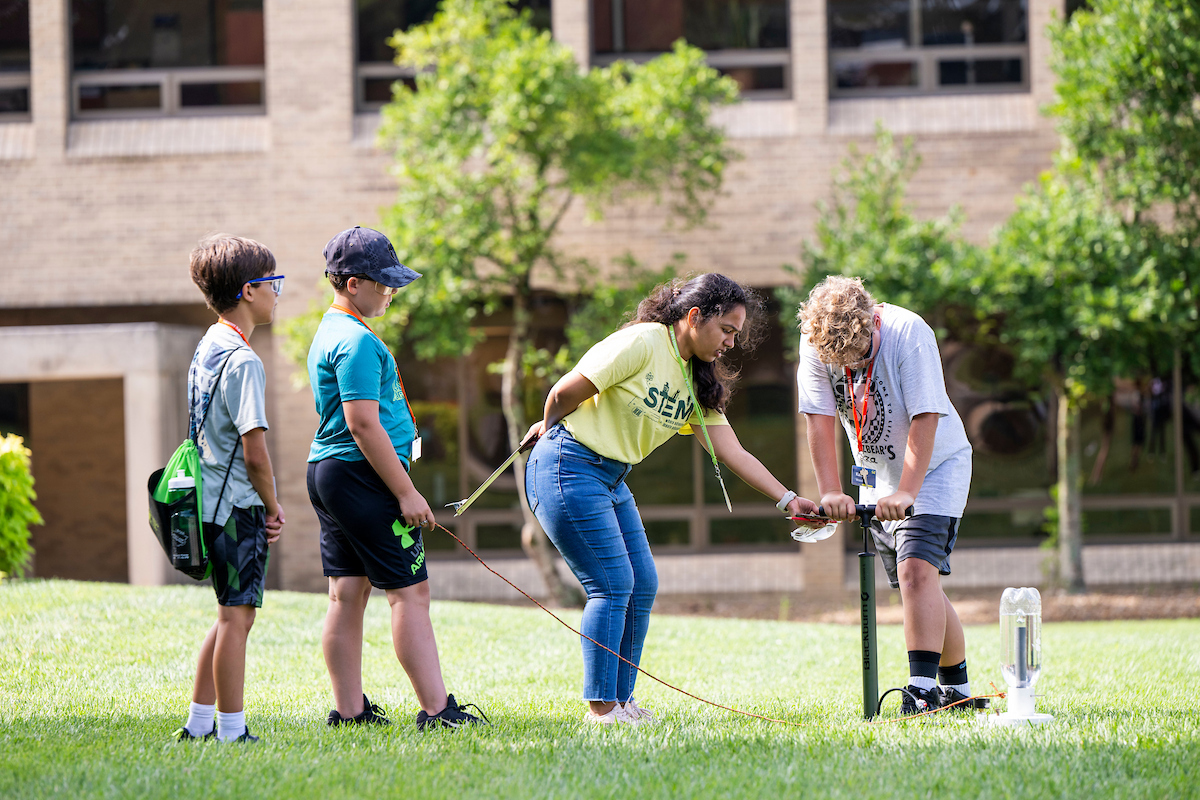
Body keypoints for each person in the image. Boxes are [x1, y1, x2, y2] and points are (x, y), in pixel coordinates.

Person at [522, 273, 822, 726]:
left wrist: (789, 500)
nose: (730, 343)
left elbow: (732, 451)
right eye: (727, 331)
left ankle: (622, 703)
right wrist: (548, 429)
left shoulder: (696, 378)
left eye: (736, 335)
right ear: (695, 316)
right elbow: (564, 392)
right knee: (612, 584)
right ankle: (601, 710)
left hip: (611, 477)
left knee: (641, 584)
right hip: (569, 464)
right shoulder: (644, 343)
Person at [306, 226, 485, 731]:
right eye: (384, 283)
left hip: (329, 472)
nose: (391, 291)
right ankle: (437, 711)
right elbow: (363, 423)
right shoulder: (357, 342)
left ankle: (351, 711)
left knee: (346, 594)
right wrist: (405, 491)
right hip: (363, 477)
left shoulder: (330, 330)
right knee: (410, 594)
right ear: (352, 282)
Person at [796, 275, 984, 715]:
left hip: (935, 467)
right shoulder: (813, 342)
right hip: (878, 477)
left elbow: (925, 415)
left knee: (918, 572)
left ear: (871, 323)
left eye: (857, 357)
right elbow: (819, 419)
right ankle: (958, 691)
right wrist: (829, 490)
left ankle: (921, 691)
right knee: (919, 585)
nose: (851, 367)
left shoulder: (908, 332)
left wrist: (907, 491)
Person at [175, 234, 286, 743]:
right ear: (248, 291)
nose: (277, 293)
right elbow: (255, 451)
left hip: (206, 502)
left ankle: (199, 726)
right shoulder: (244, 361)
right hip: (237, 506)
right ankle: (230, 731)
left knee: (227, 616)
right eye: (272, 284)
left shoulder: (209, 345)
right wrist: (273, 504)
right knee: (238, 619)